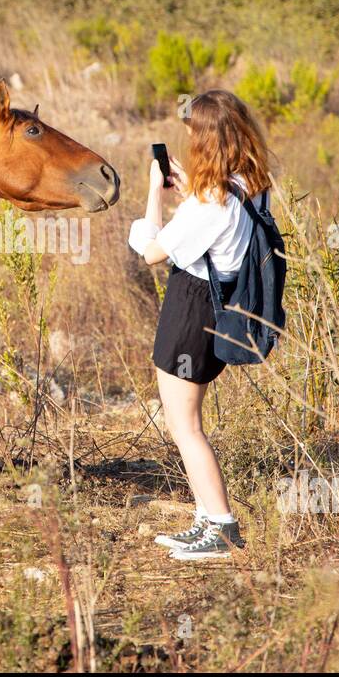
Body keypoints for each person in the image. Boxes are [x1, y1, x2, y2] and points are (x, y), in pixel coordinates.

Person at [127, 90, 273, 560]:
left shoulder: (210, 200)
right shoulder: (249, 181)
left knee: (185, 425)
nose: (188, 139)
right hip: (218, 305)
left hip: (191, 309)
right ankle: (206, 516)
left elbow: (151, 251)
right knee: (188, 422)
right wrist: (191, 190)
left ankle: (223, 527)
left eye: (193, 133)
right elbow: (222, 224)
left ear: (209, 138)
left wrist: (153, 191)